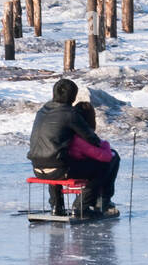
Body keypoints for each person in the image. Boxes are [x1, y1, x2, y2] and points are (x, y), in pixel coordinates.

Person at [27, 77, 107, 215]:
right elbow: (90, 138)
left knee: (53, 158)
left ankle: (56, 207)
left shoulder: (41, 111)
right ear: (72, 97)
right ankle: (81, 206)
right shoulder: (70, 113)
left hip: (37, 168)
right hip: (59, 170)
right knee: (102, 167)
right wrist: (102, 146)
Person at [67, 101, 120, 217]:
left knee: (110, 159)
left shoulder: (70, 132)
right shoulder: (82, 136)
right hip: (79, 168)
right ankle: (102, 200)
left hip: (73, 164)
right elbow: (104, 156)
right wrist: (105, 144)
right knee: (111, 159)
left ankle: (100, 200)